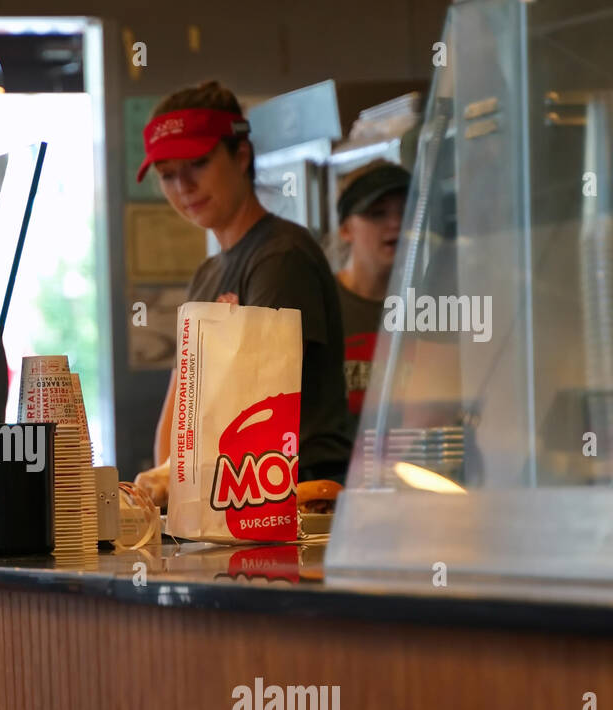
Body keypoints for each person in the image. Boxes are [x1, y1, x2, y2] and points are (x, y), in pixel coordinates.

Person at [135, 81, 352, 505]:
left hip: (291, 491)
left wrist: (182, 482)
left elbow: (260, 400)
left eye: (197, 163)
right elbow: (182, 402)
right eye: (167, 175)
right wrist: (170, 486)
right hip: (231, 493)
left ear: (240, 155)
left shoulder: (281, 256)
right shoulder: (207, 274)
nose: (184, 187)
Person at [333, 159, 409, 439]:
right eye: (377, 213)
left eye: (406, 212)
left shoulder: (430, 306)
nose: (396, 224)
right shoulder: (321, 302)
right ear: (346, 229)